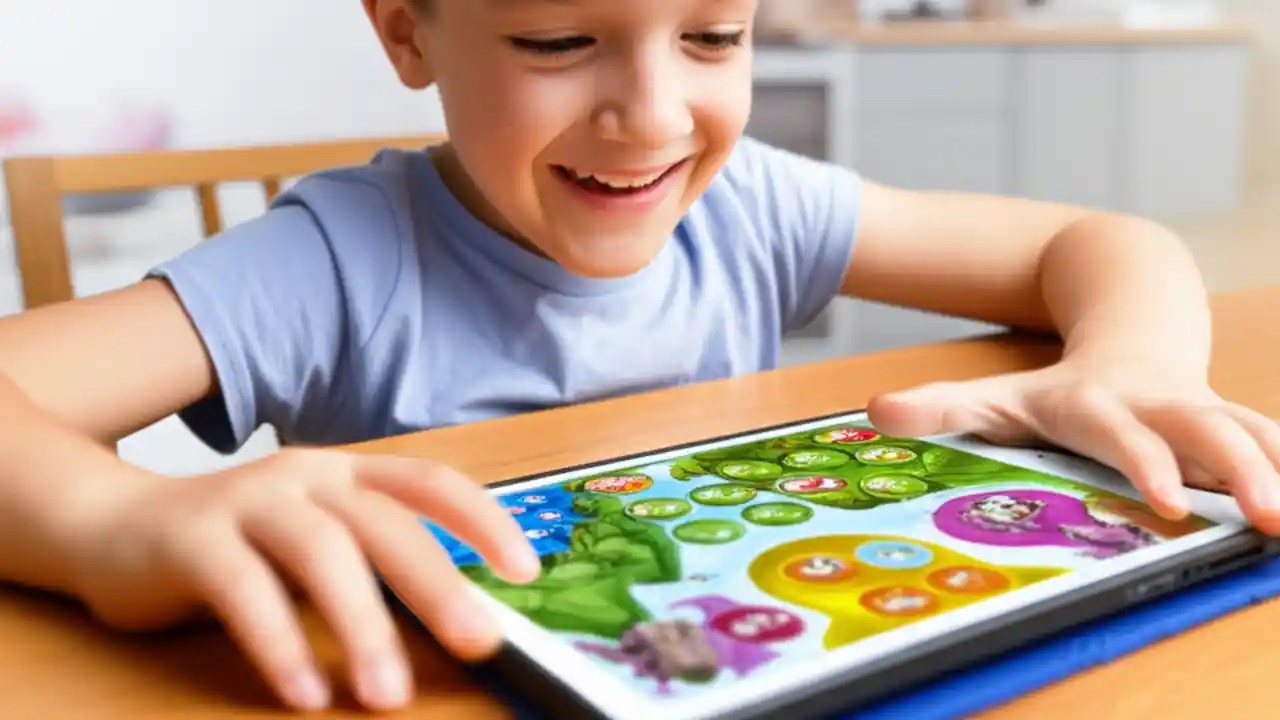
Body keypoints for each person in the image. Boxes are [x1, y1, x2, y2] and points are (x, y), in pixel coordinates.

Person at [1, 0, 1276, 712]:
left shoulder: (751, 204)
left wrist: (1131, 362)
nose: (654, 116)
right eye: (559, 42)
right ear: (405, 32)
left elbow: (1093, 238)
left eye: (713, 37)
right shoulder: (332, 260)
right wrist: (113, 522)